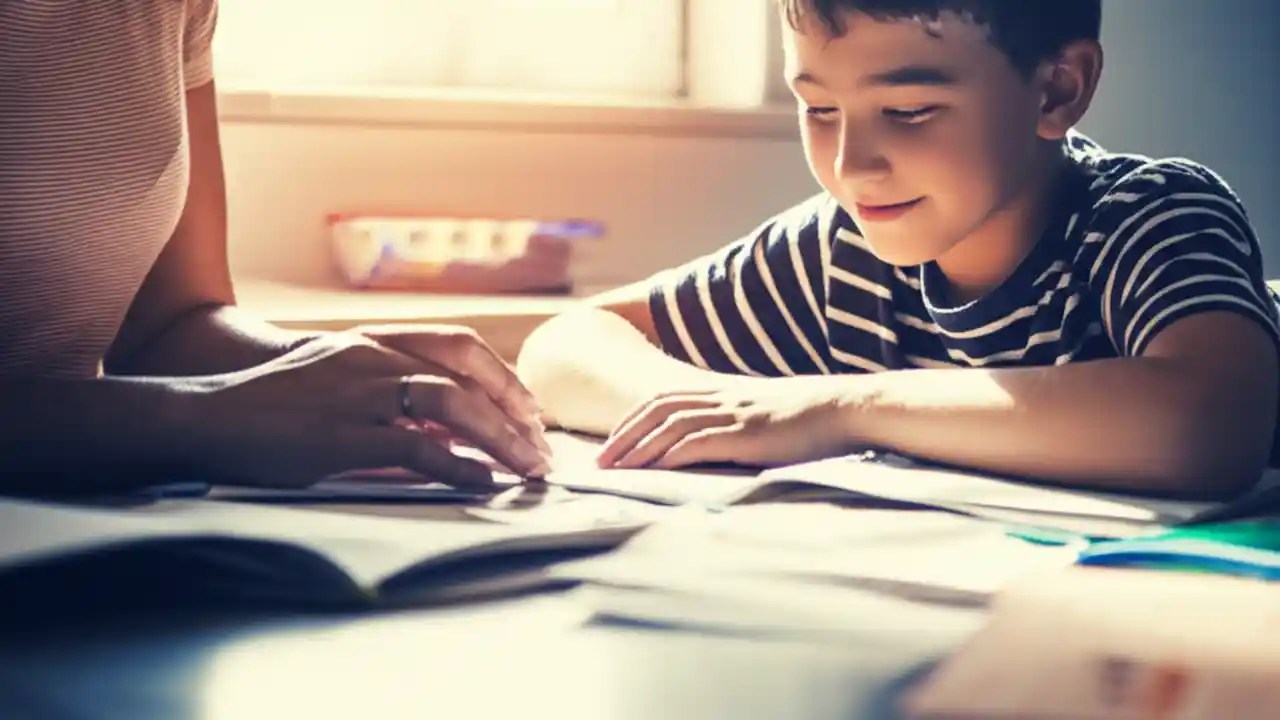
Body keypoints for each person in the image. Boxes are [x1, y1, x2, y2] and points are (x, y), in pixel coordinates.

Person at [518, 0, 1280, 499]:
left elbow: (1208, 426)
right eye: (818, 108)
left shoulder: (1151, 214)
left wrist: (842, 408)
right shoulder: (841, 250)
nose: (851, 166)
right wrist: (707, 412)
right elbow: (568, 341)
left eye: (910, 111)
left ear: (1056, 90)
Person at [0, 0, 551, 493]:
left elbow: (166, 327)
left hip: (71, 517)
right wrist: (205, 418)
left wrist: (312, 361)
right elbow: (190, 404)